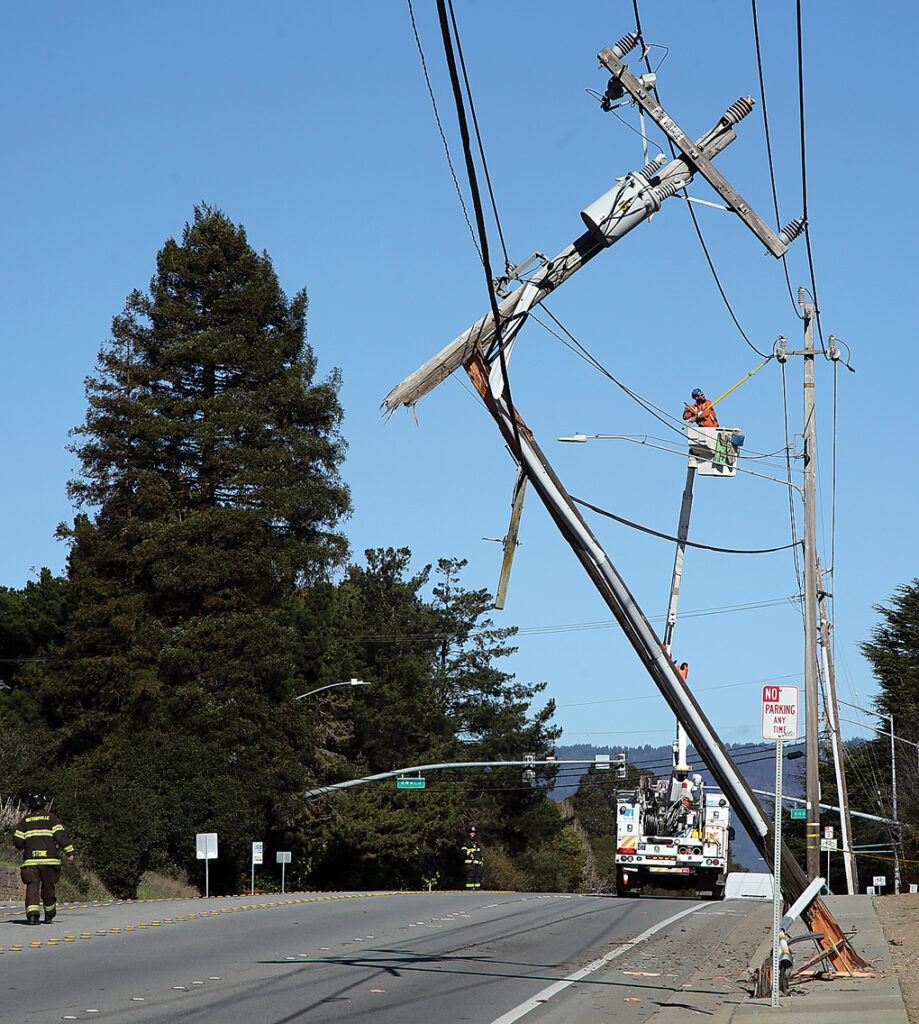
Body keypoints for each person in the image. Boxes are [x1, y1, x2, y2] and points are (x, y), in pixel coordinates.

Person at [13, 790, 75, 925]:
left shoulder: (25, 821)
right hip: (49, 861)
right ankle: (49, 914)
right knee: (48, 887)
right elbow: (60, 836)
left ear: (30, 805)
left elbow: (18, 842)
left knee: (32, 887)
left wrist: (28, 844)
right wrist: (70, 851)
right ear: (44, 804)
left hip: (31, 862)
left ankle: (32, 917)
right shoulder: (51, 818)